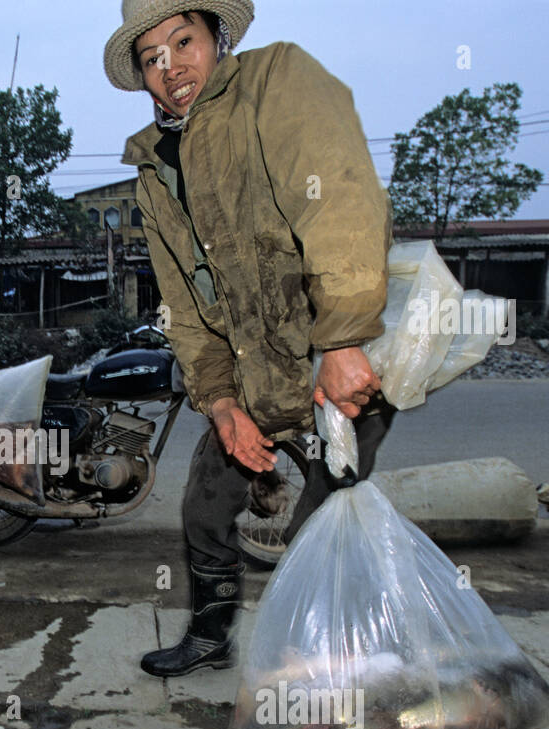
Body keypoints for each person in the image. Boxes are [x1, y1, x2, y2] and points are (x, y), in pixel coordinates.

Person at [105, 1, 397, 677]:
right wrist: (222, 405)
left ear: (218, 37)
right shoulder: (155, 171)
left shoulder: (277, 82)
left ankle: (324, 680)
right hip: (253, 375)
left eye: (184, 41)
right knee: (204, 507)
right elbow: (182, 302)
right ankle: (211, 637)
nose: (171, 67)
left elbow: (340, 197)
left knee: (317, 541)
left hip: (337, 363)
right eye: (152, 57)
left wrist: (346, 338)